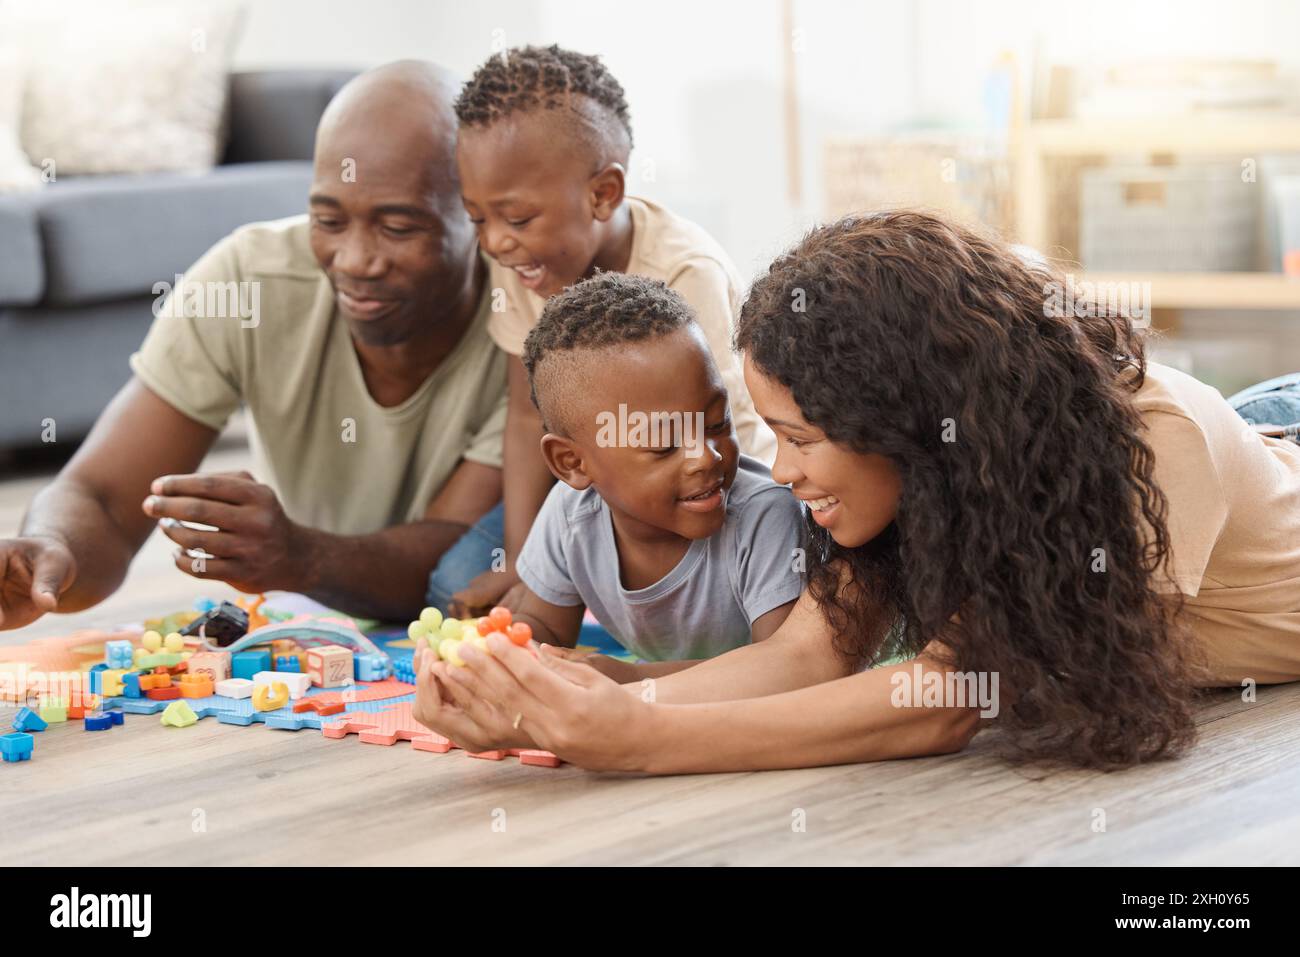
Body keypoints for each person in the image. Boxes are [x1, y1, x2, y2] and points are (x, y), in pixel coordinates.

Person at [412, 210, 1300, 773]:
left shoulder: (1149, 442)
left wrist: (638, 737)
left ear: (897, 417)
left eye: (798, 438)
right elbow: (807, 655)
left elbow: (943, 698)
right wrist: (571, 705)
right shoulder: (929, 472)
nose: (778, 471)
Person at [0, 61, 508, 629]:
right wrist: (50, 548)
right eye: (328, 220)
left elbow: (448, 565)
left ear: (478, 218)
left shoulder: (524, 317)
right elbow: (102, 497)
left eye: (398, 228)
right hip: (327, 602)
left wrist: (302, 556)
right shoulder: (245, 282)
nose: (356, 260)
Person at [441, 44, 775, 616]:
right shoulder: (522, 266)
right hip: (603, 474)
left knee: (710, 598)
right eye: (479, 219)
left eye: (517, 218)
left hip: (712, 480)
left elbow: (719, 434)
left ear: (603, 194)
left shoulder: (685, 272)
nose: (495, 241)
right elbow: (525, 417)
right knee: (453, 581)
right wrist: (527, 565)